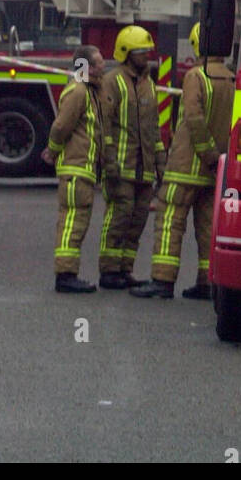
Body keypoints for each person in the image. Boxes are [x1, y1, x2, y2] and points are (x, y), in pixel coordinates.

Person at [131, 21, 234, 300]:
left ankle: (162, 282)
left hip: (186, 167)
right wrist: (216, 161)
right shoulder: (232, 79)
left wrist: (206, 153)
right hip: (214, 172)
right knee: (207, 228)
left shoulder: (196, 76)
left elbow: (193, 118)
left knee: (170, 222)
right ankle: (206, 283)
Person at [97, 25, 166, 289]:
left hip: (144, 169)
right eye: (140, 52)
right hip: (122, 167)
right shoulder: (112, 81)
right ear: (126, 53)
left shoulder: (149, 84)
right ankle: (108, 270)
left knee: (137, 221)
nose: (146, 57)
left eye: (147, 52)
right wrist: (109, 162)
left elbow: (154, 130)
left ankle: (125, 270)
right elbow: (106, 125)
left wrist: (161, 166)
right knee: (119, 218)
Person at [42, 44, 105, 294]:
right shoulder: (78, 91)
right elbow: (60, 127)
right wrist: (52, 150)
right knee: (72, 223)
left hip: (83, 170)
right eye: (98, 62)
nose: (102, 65)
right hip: (76, 170)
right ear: (85, 66)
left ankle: (68, 273)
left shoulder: (88, 91)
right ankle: (65, 276)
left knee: (77, 222)